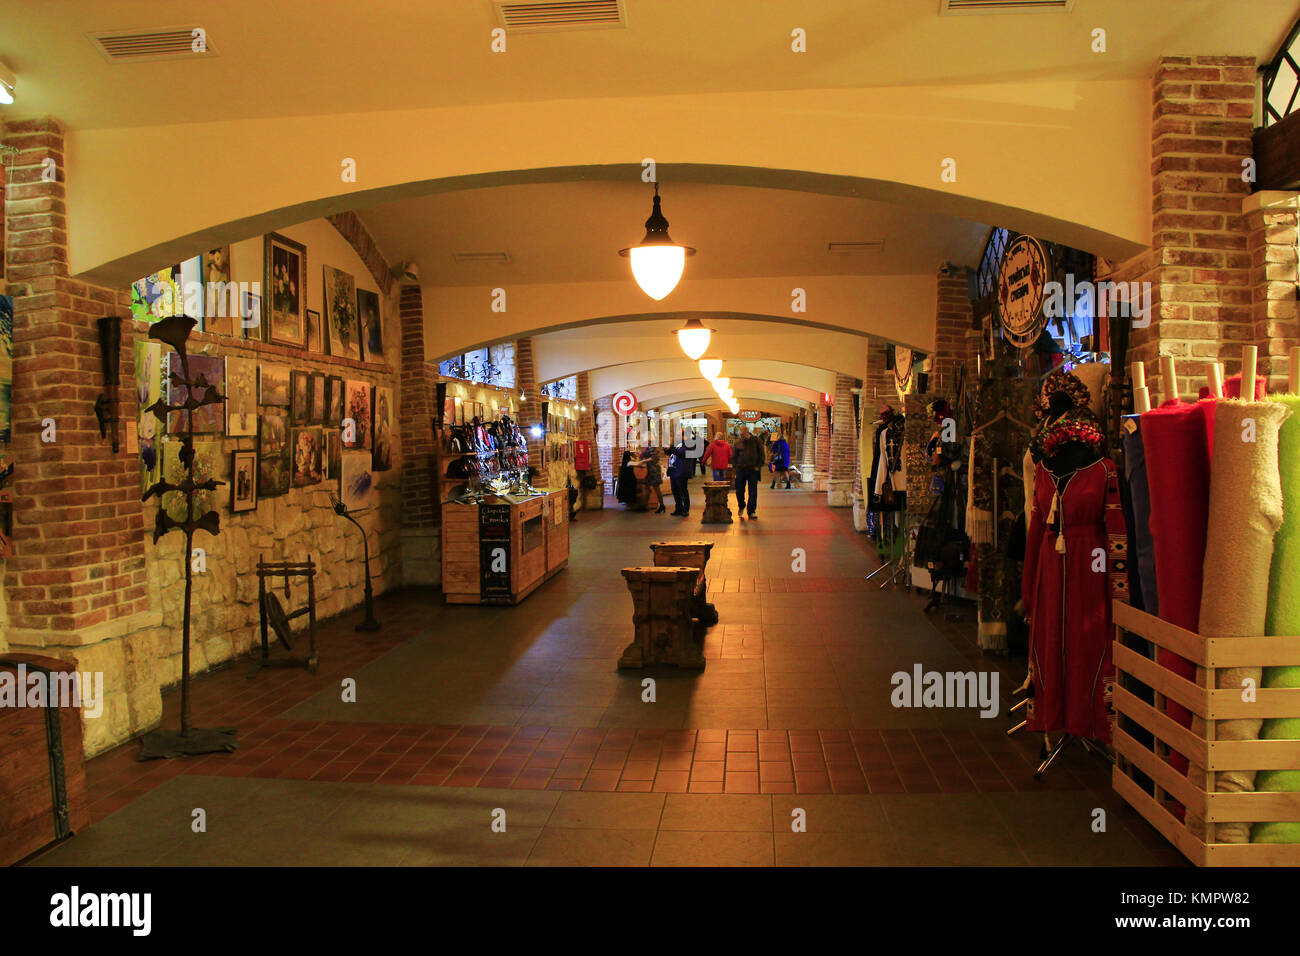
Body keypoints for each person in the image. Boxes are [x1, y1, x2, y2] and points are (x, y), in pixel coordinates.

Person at [731, 425, 763, 519]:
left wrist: (758, 465)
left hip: (753, 469)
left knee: (753, 491)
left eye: (742, 434)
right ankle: (741, 505)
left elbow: (761, 454)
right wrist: (735, 467)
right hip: (741, 470)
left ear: (747, 433)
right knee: (739, 490)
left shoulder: (756, 441)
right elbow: (734, 456)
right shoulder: (738, 442)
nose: (741, 436)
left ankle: (751, 511)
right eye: (740, 434)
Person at [636, 445, 667, 513]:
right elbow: (643, 455)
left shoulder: (654, 446)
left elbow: (654, 457)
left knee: (656, 488)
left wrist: (643, 461)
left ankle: (662, 505)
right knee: (646, 487)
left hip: (654, 470)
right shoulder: (647, 447)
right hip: (649, 470)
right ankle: (645, 505)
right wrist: (640, 454)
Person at [667, 431, 691, 516]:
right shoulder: (678, 444)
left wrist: (672, 449)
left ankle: (685, 509)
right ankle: (678, 508)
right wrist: (667, 448)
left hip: (682, 471)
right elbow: (670, 452)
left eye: (678, 435)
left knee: (683, 490)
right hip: (673, 470)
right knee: (675, 490)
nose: (676, 437)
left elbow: (681, 453)